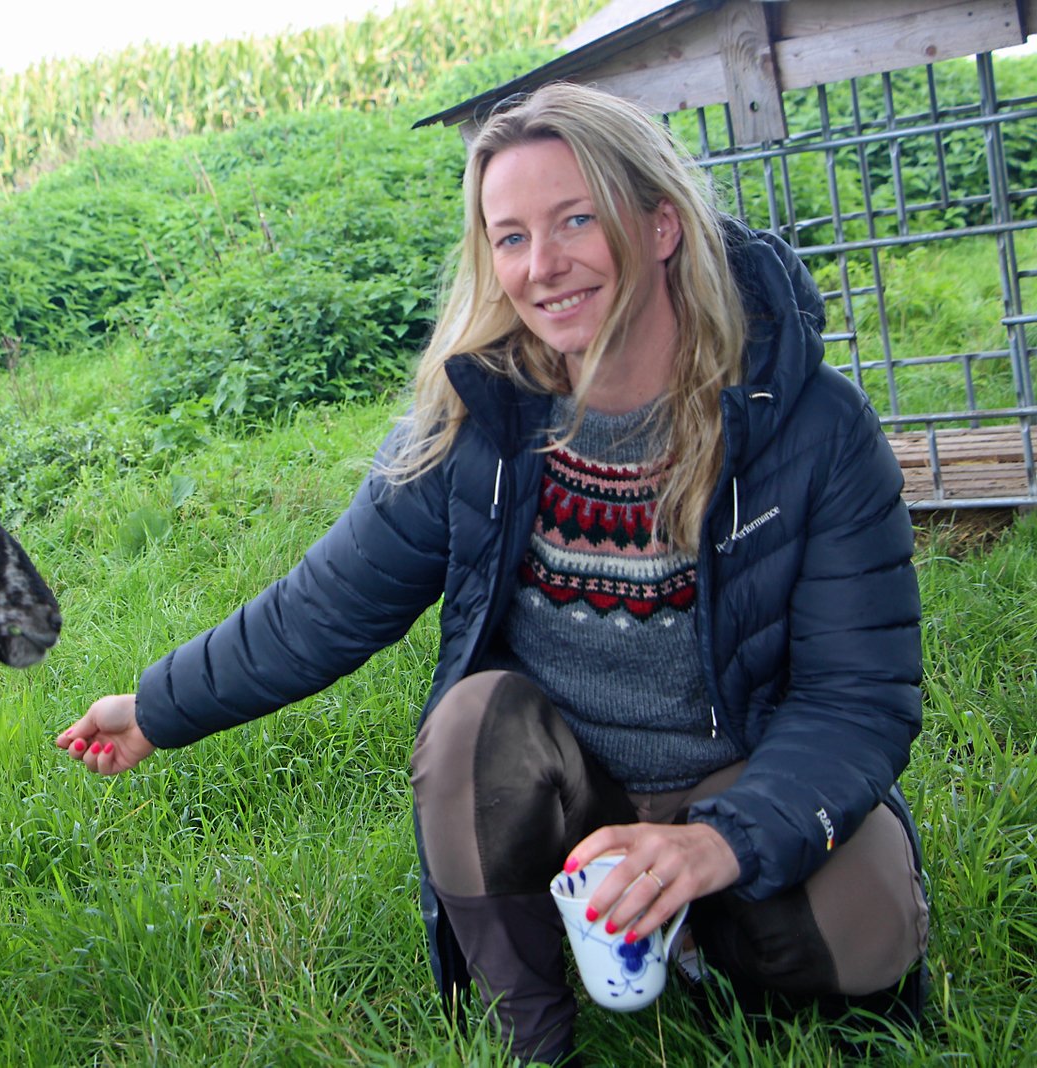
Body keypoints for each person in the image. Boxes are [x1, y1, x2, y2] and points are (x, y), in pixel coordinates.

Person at [55, 81, 929, 1065]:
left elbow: (859, 698)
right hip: (577, 791)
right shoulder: (476, 426)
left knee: (860, 926)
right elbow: (323, 607)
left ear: (662, 225)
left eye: (573, 221)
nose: (541, 267)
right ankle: (531, 1036)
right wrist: (156, 707)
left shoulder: (810, 424)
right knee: (470, 726)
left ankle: (722, 943)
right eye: (509, 237)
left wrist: (716, 841)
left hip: (742, 764)